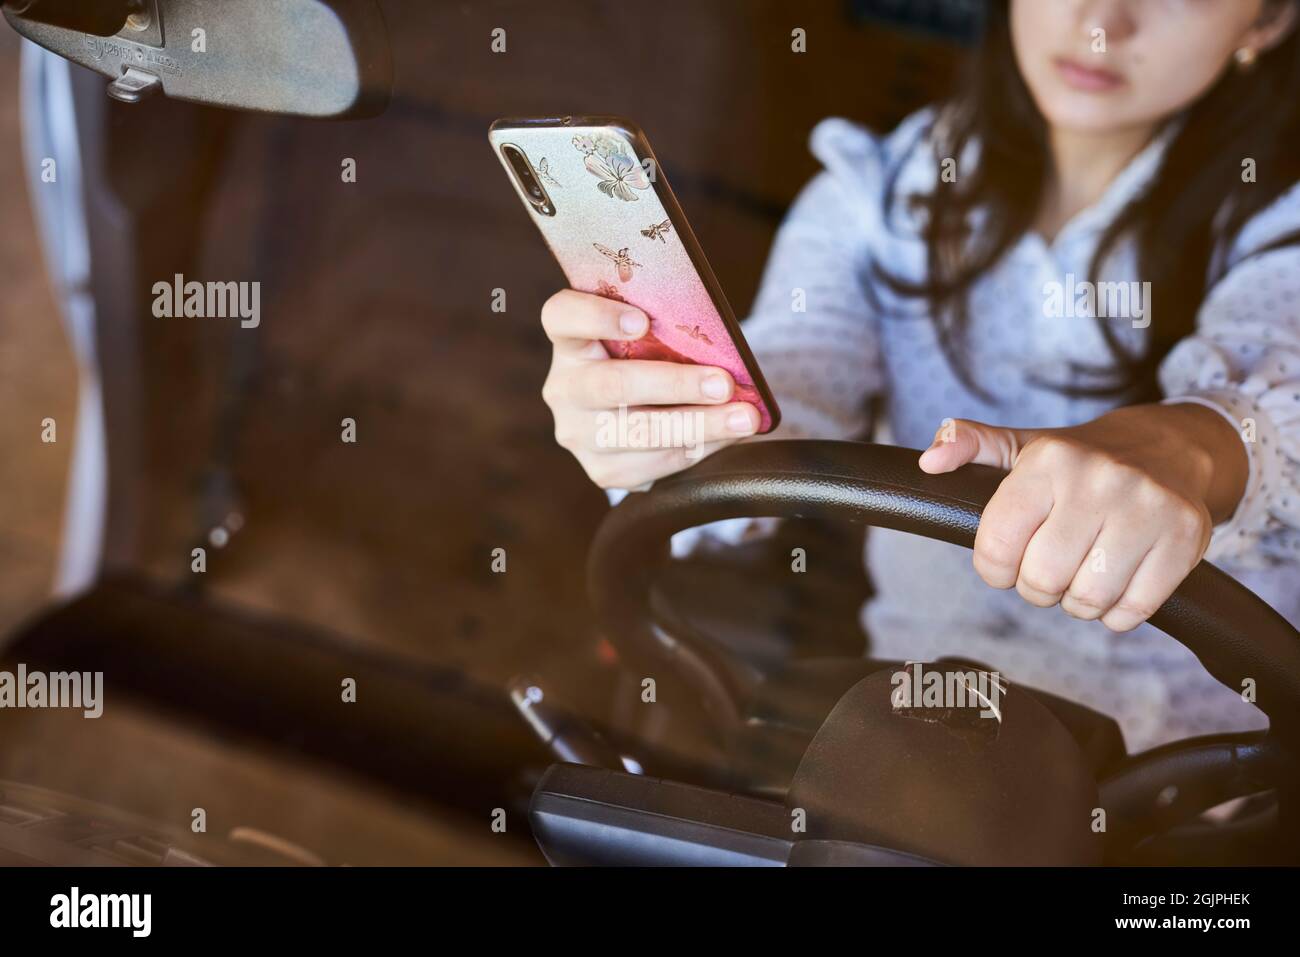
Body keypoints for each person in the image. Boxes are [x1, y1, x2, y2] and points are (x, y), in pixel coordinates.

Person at [538, 0, 1300, 751]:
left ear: (1265, 22)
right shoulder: (873, 198)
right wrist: (659, 420)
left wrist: (1187, 449)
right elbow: (788, 392)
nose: (1102, 21)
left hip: (1204, 778)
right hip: (917, 753)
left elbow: (1272, 390)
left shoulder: (1278, 218)